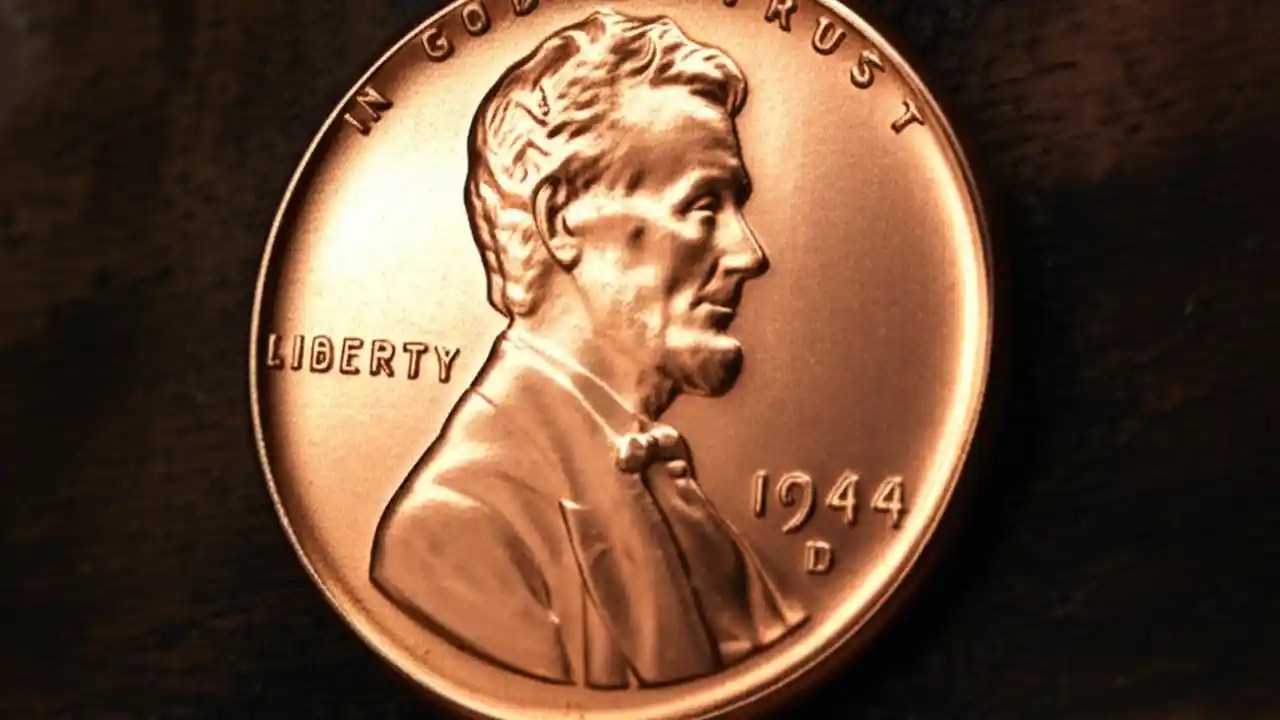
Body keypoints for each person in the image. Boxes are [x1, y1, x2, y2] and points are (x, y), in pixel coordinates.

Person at [370, 10, 805, 688]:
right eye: (701, 206)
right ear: (557, 220)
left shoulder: (669, 488)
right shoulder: (455, 529)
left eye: (735, 205)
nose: (748, 254)